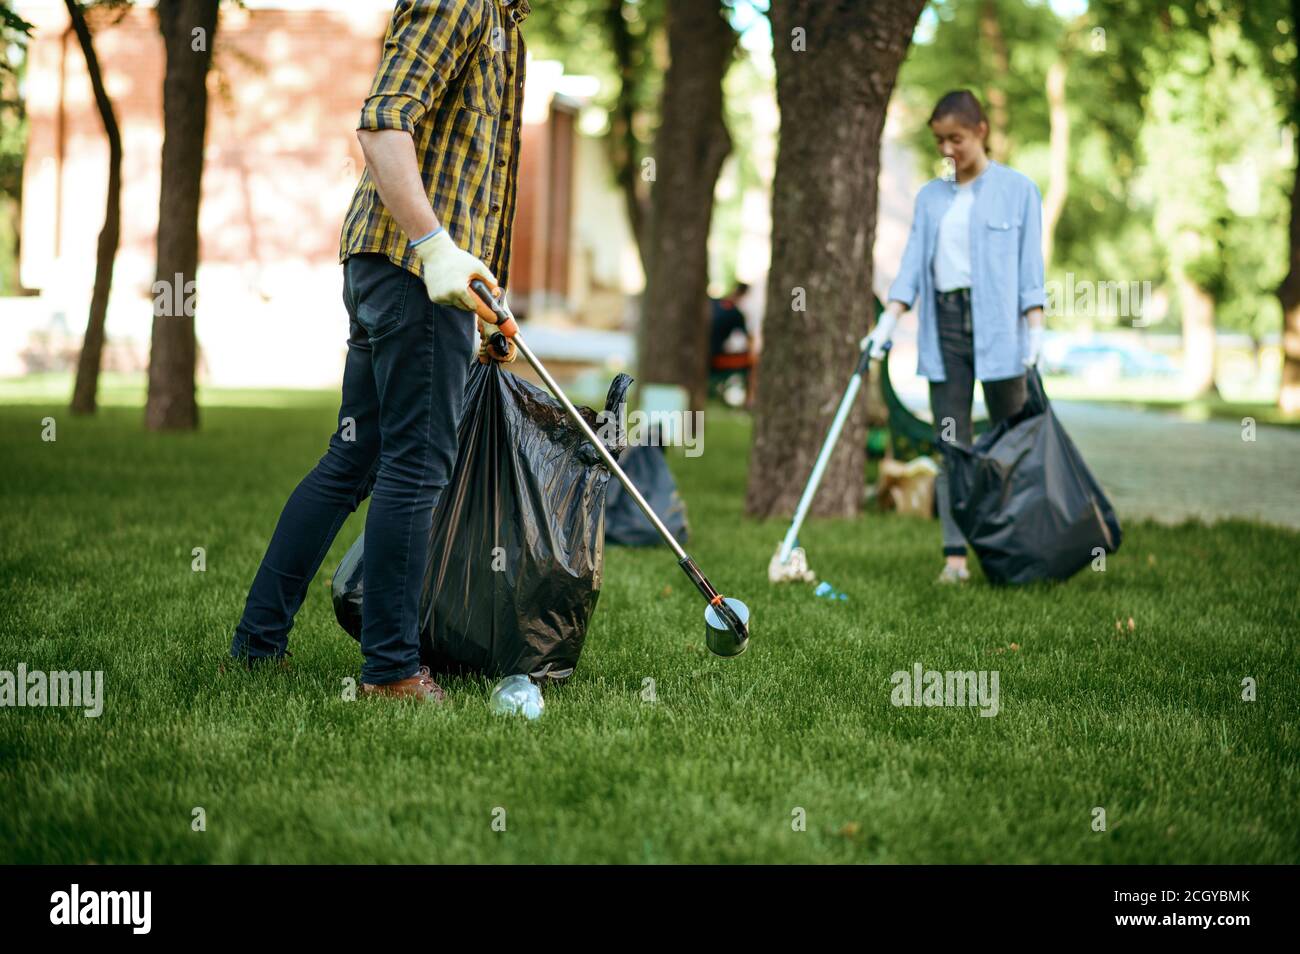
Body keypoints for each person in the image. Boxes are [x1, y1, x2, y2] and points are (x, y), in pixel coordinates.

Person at [228, 0, 531, 700]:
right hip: (407, 266)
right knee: (415, 466)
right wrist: (433, 250)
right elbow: (383, 122)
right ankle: (391, 672)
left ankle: (255, 646)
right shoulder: (461, 2)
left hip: (413, 270)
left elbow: (476, 181)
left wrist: (486, 293)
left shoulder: (507, 27)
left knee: (354, 456)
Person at [864, 89, 1046, 584]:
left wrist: (1035, 330)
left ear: (981, 131)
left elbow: (1031, 270)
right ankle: (954, 558)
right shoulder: (930, 198)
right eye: (941, 140)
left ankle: (1016, 552)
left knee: (1012, 447)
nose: (948, 149)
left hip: (1000, 335)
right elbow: (912, 266)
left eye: (957, 138)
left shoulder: (1019, 190)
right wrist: (890, 317)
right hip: (944, 332)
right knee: (953, 447)